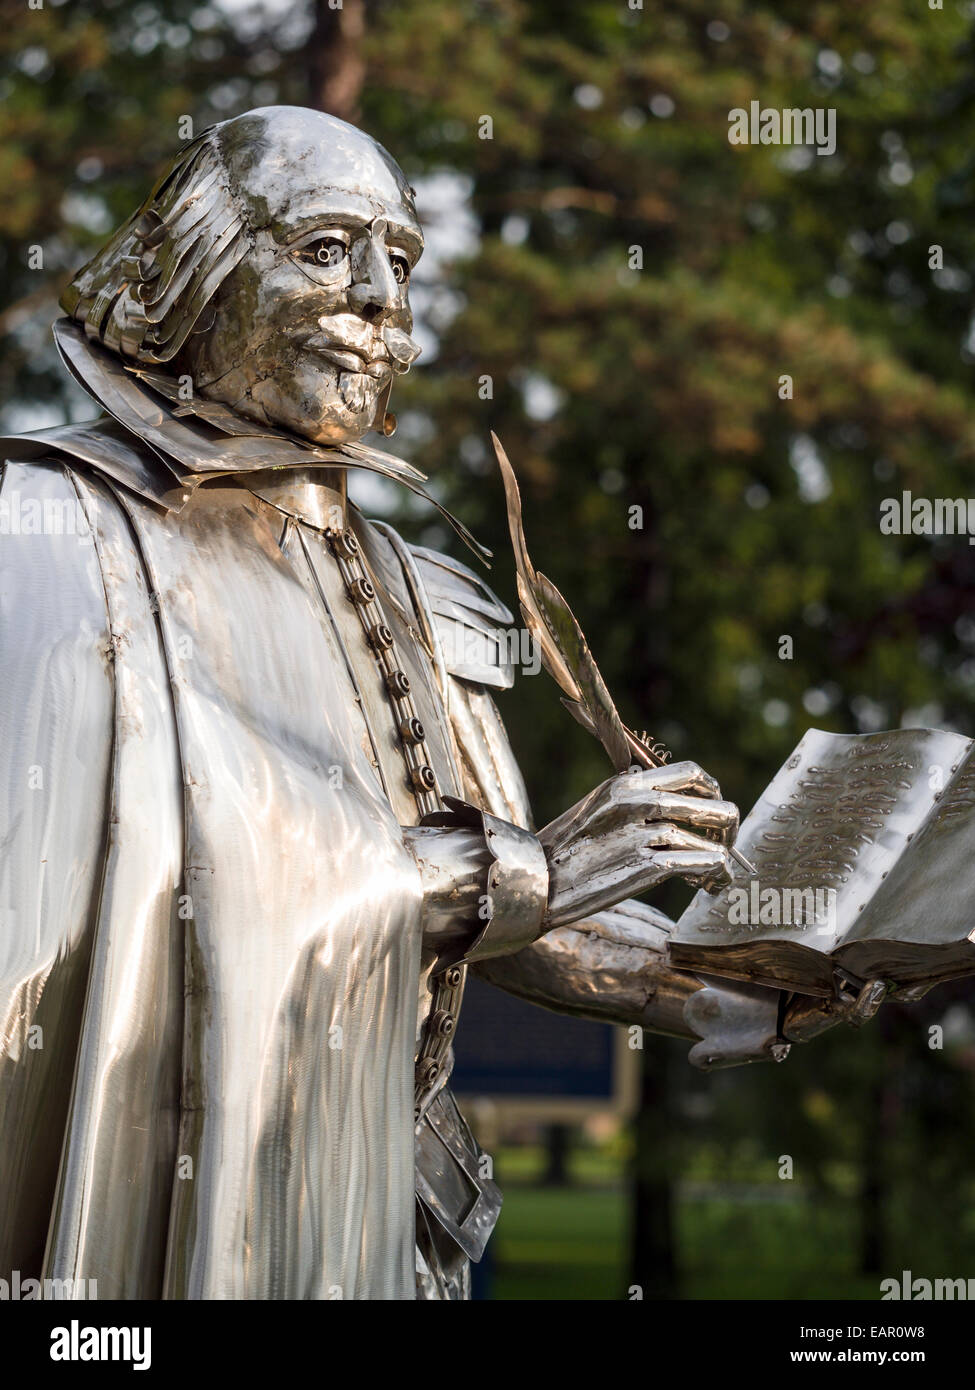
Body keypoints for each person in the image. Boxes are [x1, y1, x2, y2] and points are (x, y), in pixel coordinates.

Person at [0, 106, 864, 1301]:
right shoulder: (50, 534)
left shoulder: (408, 585)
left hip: (385, 1231)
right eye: (324, 248)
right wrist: (499, 876)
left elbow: (526, 916)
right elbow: (84, 910)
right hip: (167, 1220)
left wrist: (737, 980)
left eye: (400, 261)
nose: (382, 303)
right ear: (192, 271)